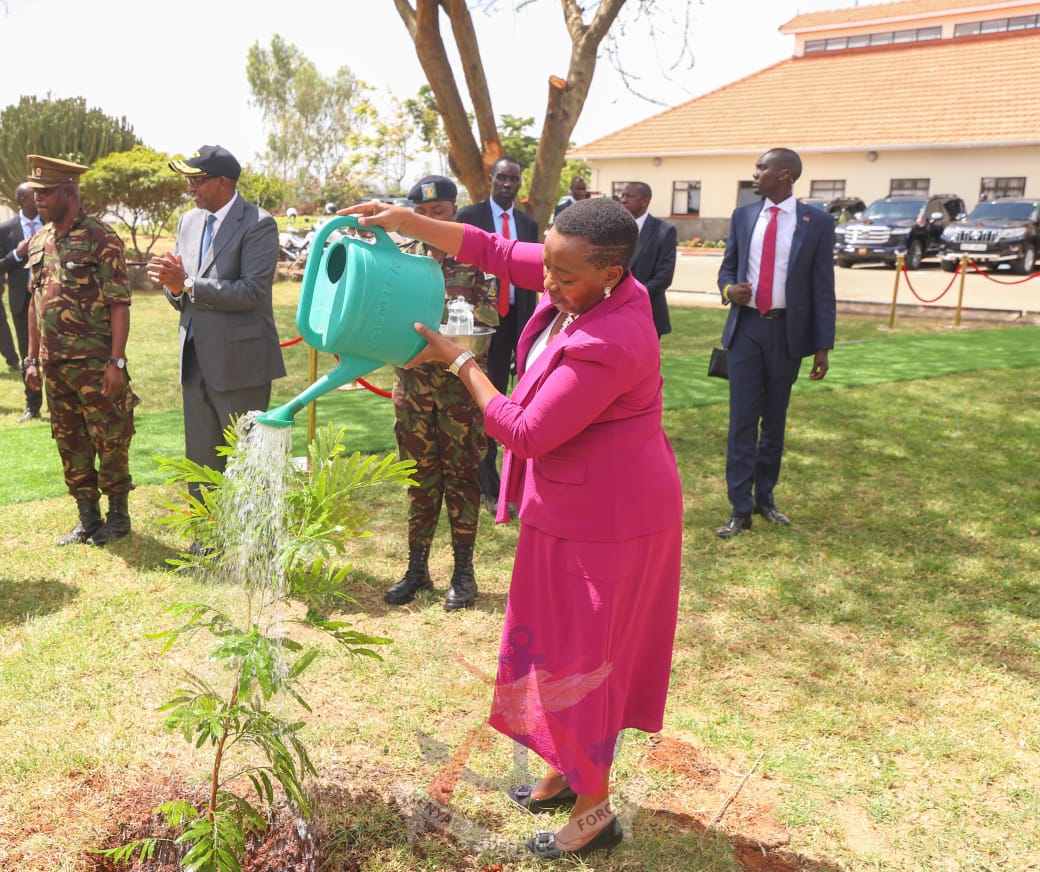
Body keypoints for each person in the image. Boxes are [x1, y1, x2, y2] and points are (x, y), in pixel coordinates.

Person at [343, 196, 683, 860]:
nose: (548, 283)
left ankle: (594, 814)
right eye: (547, 263)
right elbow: (492, 250)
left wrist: (463, 362)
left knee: (589, 664)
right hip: (568, 508)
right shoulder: (584, 274)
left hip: (609, 523)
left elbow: (523, 432)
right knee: (555, 650)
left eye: (564, 276)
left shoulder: (609, 338)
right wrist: (405, 221)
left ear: (610, 274)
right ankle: (566, 769)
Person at [384, 175, 499, 611]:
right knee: (419, 480)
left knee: (463, 480)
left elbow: (487, 322)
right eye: (424, 213)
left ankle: (463, 573)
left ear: (455, 211)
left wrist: (442, 341)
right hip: (412, 389)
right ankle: (416, 570)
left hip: (459, 392)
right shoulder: (399, 261)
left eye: (441, 212)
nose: (432, 219)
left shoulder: (479, 258)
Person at [147, 145, 285, 507]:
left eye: (197, 181)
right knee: (202, 456)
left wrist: (189, 283)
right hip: (194, 359)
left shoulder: (259, 223)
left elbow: (252, 292)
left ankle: (254, 545)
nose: (191, 189)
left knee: (247, 457)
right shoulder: (188, 221)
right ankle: (206, 539)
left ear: (223, 182)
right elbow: (181, 290)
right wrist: (174, 286)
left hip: (240, 363)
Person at [715, 147, 836, 538]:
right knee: (742, 421)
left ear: (785, 174)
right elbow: (728, 267)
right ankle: (740, 508)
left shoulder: (815, 222)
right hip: (746, 330)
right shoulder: (743, 215)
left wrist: (822, 346)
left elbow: (823, 286)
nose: (755, 174)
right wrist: (729, 289)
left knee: (775, 421)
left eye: (761, 168)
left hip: (787, 333)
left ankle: (766, 499)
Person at [22, 155, 135, 546]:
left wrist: (115, 362)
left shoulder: (101, 238)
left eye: (47, 192)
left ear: (70, 191)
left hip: (95, 363)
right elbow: (34, 306)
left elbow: (119, 303)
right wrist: (32, 358)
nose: (39, 199)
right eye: (37, 192)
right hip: (53, 366)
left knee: (110, 437)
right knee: (69, 440)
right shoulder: (38, 242)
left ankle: (119, 517)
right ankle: (88, 516)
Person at [455, 156, 538, 515]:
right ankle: (486, 484)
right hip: (480, 326)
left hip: (517, 325)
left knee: (514, 404)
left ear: (520, 182)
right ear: (489, 180)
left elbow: (532, 280)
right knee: (486, 402)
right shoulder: (469, 219)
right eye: (501, 177)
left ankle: (511, 483)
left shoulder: (528, 225)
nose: (508, 183)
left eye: (514, 178)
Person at [1, 184, 46, 420]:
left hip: (50, 299)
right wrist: (17, 254)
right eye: (32, 198)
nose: (38, 200)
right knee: (27, 353)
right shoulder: (6, 229)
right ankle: (33, 406)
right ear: (21, 201)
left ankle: (61, 405)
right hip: (21, 300)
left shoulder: (50, 223)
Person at [620, 182, 677, 338]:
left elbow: (664, 277)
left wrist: (631, 295)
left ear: (645, 201)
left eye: (629, 196)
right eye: (622, 195)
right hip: (614, 315)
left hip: (647, 313)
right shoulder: (615, 229)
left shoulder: (664, 231)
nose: (623, 200)